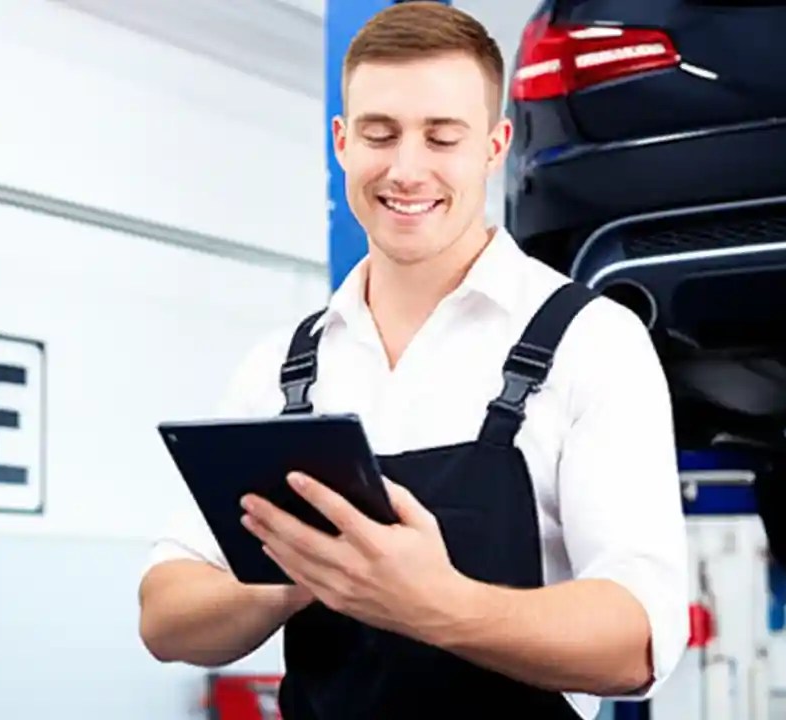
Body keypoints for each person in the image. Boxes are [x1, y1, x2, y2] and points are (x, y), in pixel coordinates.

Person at [137, 3, 689, 718]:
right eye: (380, 134)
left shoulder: (592, 342)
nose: (406, 169)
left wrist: (435, 603)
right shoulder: (280, 370)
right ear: (341, 142)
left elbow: (640, 638)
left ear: (495, 148)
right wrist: (305, 572)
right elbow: (163, 612)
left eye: (441, 137)